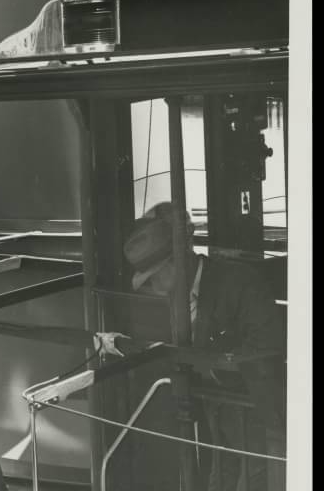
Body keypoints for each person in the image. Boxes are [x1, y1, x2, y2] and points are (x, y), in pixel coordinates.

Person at [102, 201, 285, 491]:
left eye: (155, 278)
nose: (154, 289)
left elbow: (269, 347)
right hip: (219, 418)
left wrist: (214, 363)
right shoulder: (178, 297)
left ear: (178, 261)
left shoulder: (238, 282)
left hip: (259, 418)